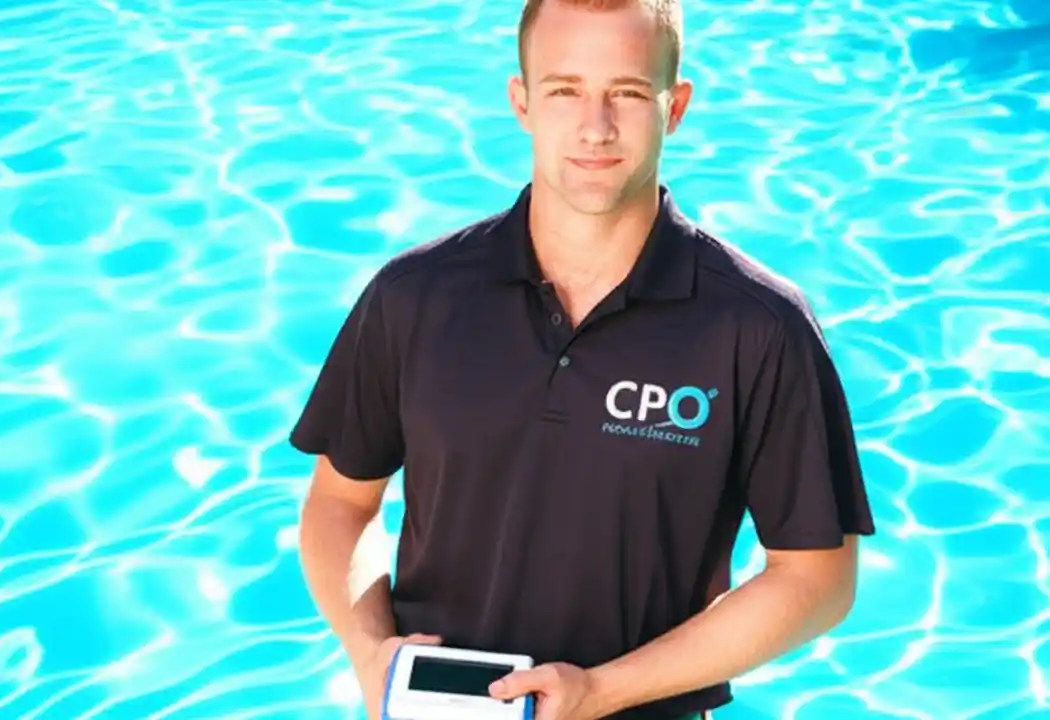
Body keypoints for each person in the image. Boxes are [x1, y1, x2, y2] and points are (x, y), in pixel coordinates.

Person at [289, 1, 877, 719]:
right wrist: (370, 650)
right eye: (565, 90)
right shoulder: (414, 297)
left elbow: (816, 579)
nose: (595, 128)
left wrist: (601, 692)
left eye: (627, 93)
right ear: (522, 102)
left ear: (676, 105)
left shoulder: (758, 327)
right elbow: (340, 504)